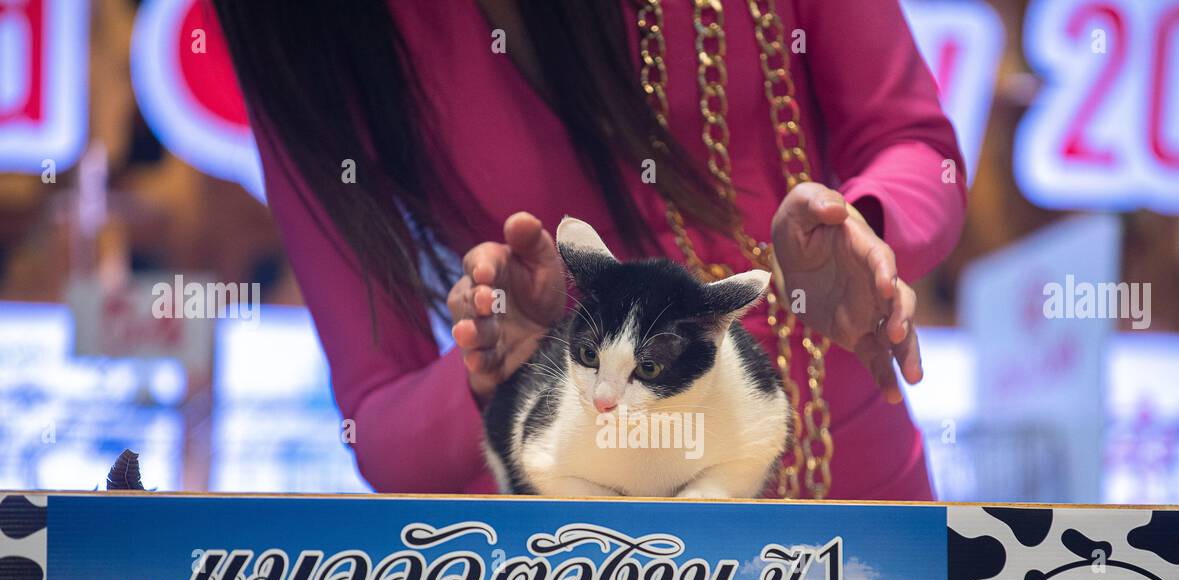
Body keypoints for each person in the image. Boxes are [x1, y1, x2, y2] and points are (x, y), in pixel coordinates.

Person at [216, 0, 966, 498]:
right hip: (579, 567)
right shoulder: (302, 31)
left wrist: (865, 226)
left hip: (840, 488)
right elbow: (379, 423)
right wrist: (493, 367)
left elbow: (912, 141)